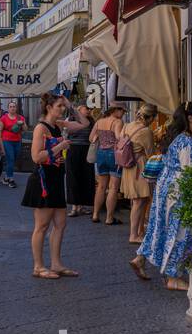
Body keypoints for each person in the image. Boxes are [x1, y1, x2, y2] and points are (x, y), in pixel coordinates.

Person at [133, 101, 192, 290]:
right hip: (177, 192)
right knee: (178, 231)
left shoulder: (180, 138)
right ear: (191, 118)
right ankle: (173, 277)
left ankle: (141, 258)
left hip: (165, 187)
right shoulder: (187, 142)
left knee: (160, 226)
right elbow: (189, 170)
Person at [22, 92, 91, 279]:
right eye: (59, 106)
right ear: (49, 107)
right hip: (43, 180)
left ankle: (56, 263)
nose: (62, 109)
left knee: (61, 224)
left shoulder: (58, 125)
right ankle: (38, 266)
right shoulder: (40, 128)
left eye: (62, 106)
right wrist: (60, 147)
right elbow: (36, 157)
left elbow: (85, 124)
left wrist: (71, 106)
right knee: (42, 225)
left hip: (56, 177)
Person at [121, 104, 158, 245]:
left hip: (128, 165)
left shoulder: (128, 125)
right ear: (152, 117)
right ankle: (133, 235)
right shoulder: (146, 131)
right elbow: (151, 153)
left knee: (140, 200)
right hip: (139, 165)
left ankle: (140, 231)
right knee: (138, 201)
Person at [91, 103, 127, 225]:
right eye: (123, 111)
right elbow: (118, 137)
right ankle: (109, 218)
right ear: (116, 110)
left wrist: (102, 138)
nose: (123, 114)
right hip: (113, 154)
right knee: (113, 188)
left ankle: (95, 214)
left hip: (100, 154)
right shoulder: (117, 122)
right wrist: (125, 137)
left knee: (101, 187)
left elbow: (91, 138)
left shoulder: (99, 121)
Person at [64, 102, 96, 217]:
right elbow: (66, 133)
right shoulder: (70, 119)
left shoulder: (91, 121)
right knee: (73, 177)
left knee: (86, 177)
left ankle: (82, 205)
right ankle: (74, 206)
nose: (87, 111)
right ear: (79, 110)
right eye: (85, 108)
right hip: (73, 149)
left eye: (88, 109)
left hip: (87, 150)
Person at [0, 99, 27, 188]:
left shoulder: (20, 118)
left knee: (13, 159)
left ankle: (6, 177)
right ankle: (11, 179)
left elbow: (25, 129)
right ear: (8, 108)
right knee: (10, 159)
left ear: (16, 108)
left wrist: (22, 124)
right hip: (6, 141)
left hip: (17, 141)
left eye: (14, 107)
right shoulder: (4, 118)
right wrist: (0, 144)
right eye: (10, 107)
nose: (12, 108)